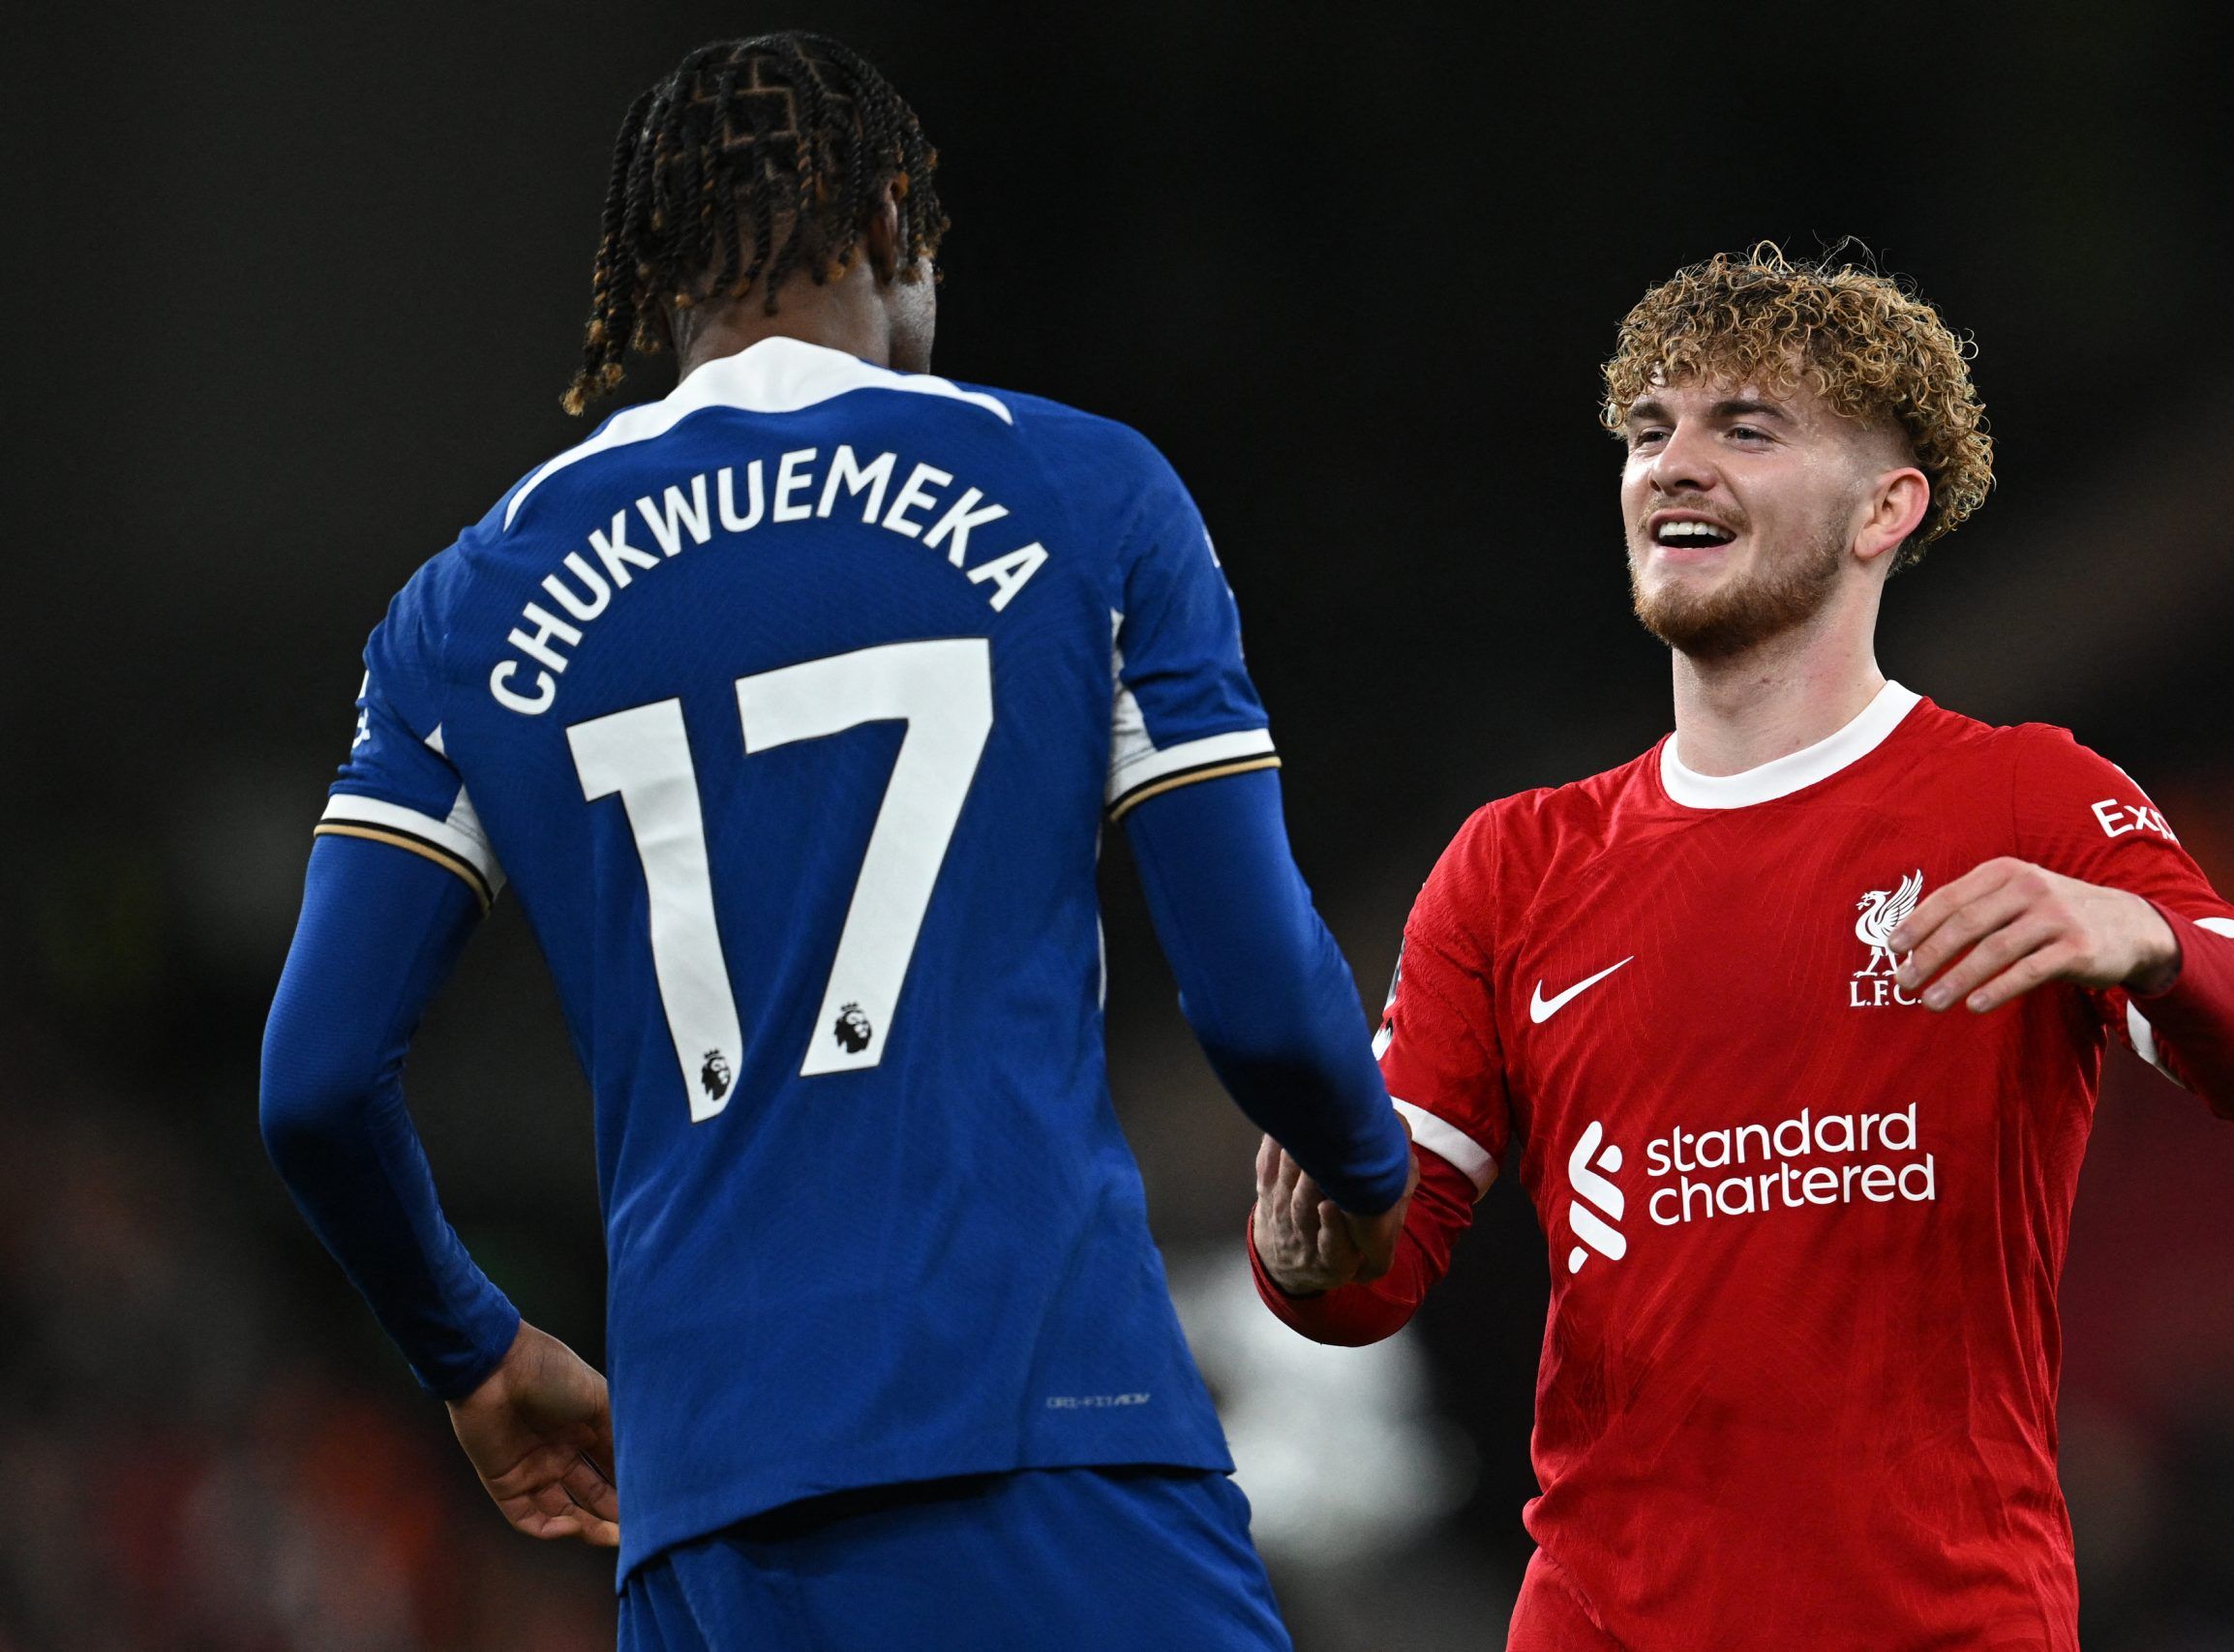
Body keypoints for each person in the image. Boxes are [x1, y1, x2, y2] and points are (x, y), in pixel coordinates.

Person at [257, 32, 1412, 1651]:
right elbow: (1256, 994)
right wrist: (1367, 1174)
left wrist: (473, 1350)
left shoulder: (467, 604)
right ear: (891, 226)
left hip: (708, 1512)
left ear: (656, 276)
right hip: (1042, 1432)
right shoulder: (1084, 493)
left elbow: (312, 1085)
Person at [1248, 245, 2234, 1650]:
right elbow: (1368, 1285)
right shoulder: (1517, 863)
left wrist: (2146, 937)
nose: (1673, 465)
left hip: (1939, 1622)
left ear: (1887, 508)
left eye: (1745, 429)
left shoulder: (2019, 795)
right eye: (1650, 433)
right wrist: (1309, 1247)